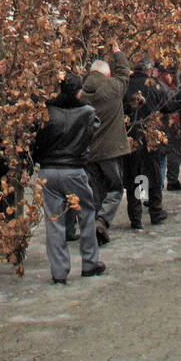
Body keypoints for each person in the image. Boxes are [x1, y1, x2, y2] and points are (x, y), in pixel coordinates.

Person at [33, 72, 104, 283]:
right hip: (73, 170)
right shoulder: (88, 113)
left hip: (48, 171)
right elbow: (93, 131)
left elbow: (36, 139)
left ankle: (59, 272)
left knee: (54, 221)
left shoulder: (47, 112)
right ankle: (90, 262)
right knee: (87, 214)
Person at [123, 57, 181, 227]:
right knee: (153, 175)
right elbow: (171, 104)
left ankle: (136, 216)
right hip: (151, 137)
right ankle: (155, 211)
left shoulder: (124, 85)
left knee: (135, 176)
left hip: (130, 135)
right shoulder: (154, 85)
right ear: (148, 70)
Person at [80, 44, 131, 244]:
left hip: (89, 151)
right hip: (111, 151)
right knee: (116, 188)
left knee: (95, 190)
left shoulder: (80, 91)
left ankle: (93, 227)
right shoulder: (113, 88)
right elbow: (125, 72)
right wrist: (118, 51)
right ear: (107, 74)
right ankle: (102, 221)